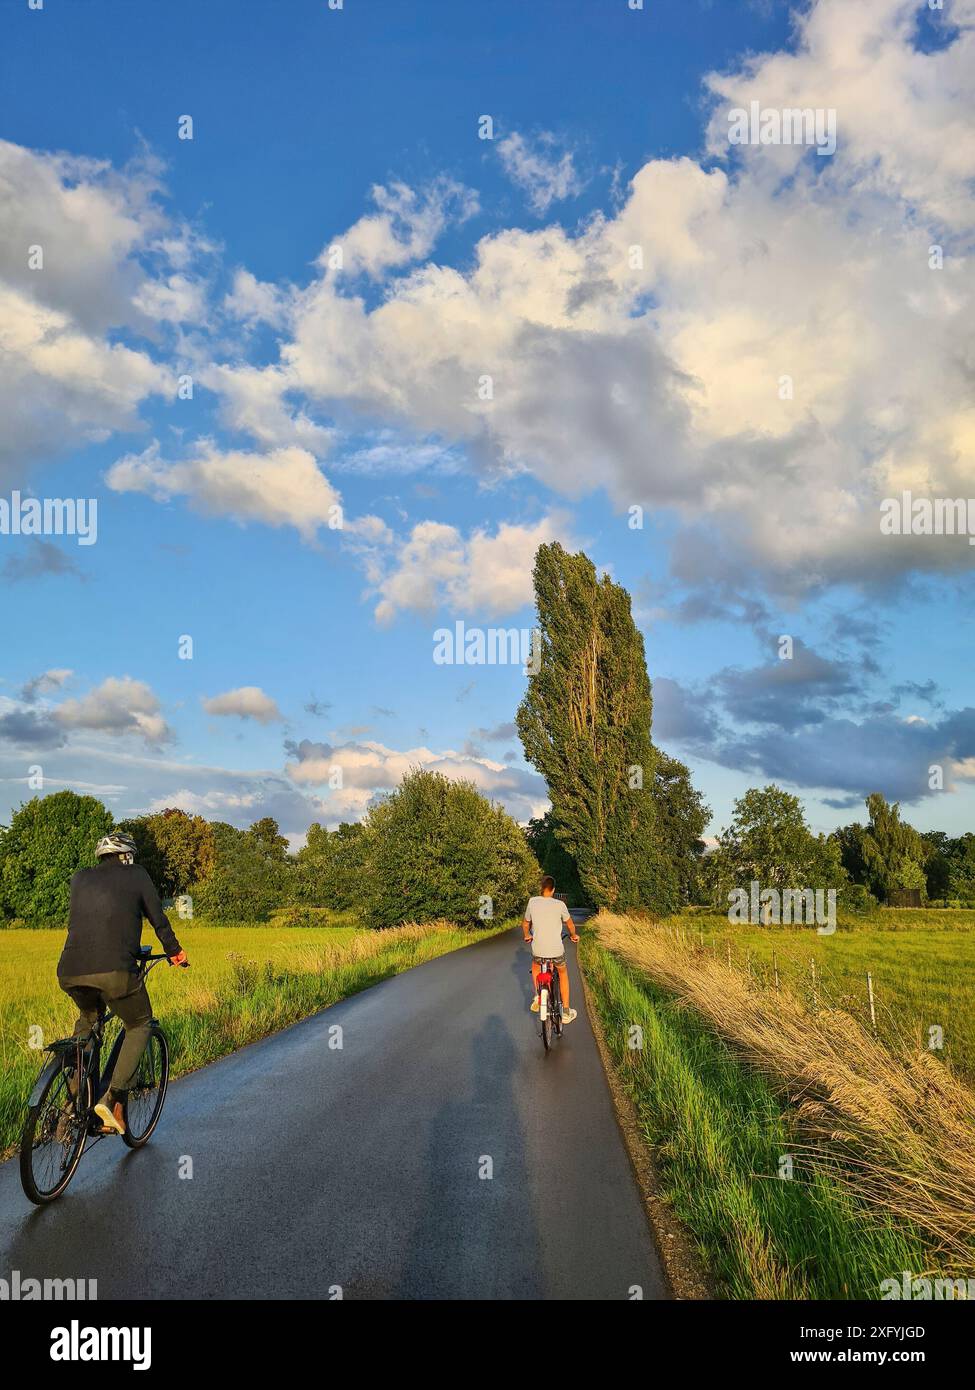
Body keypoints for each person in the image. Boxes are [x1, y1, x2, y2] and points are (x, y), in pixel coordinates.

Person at [57, 831, 187, 1136]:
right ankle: (112, 1097)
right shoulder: (137, 875)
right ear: (127, 856)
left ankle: (73, 1100)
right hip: (115, 973)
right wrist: (175, 952)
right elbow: (158, 919)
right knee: (140, 1023)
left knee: (88, 1023)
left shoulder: (79, 879)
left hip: (69, 971)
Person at [522, 875, 580, 1023]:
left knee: (536, 967)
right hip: (556, 950)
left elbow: (525, 923)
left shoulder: (532, 902)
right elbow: (570, 925)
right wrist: (574, 935)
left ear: (541, 888)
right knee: (562, 973)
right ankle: (566, 1011)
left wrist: (527, 935)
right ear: (553, 889)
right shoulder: (560, 905)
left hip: (538, 950)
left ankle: (538, 996)